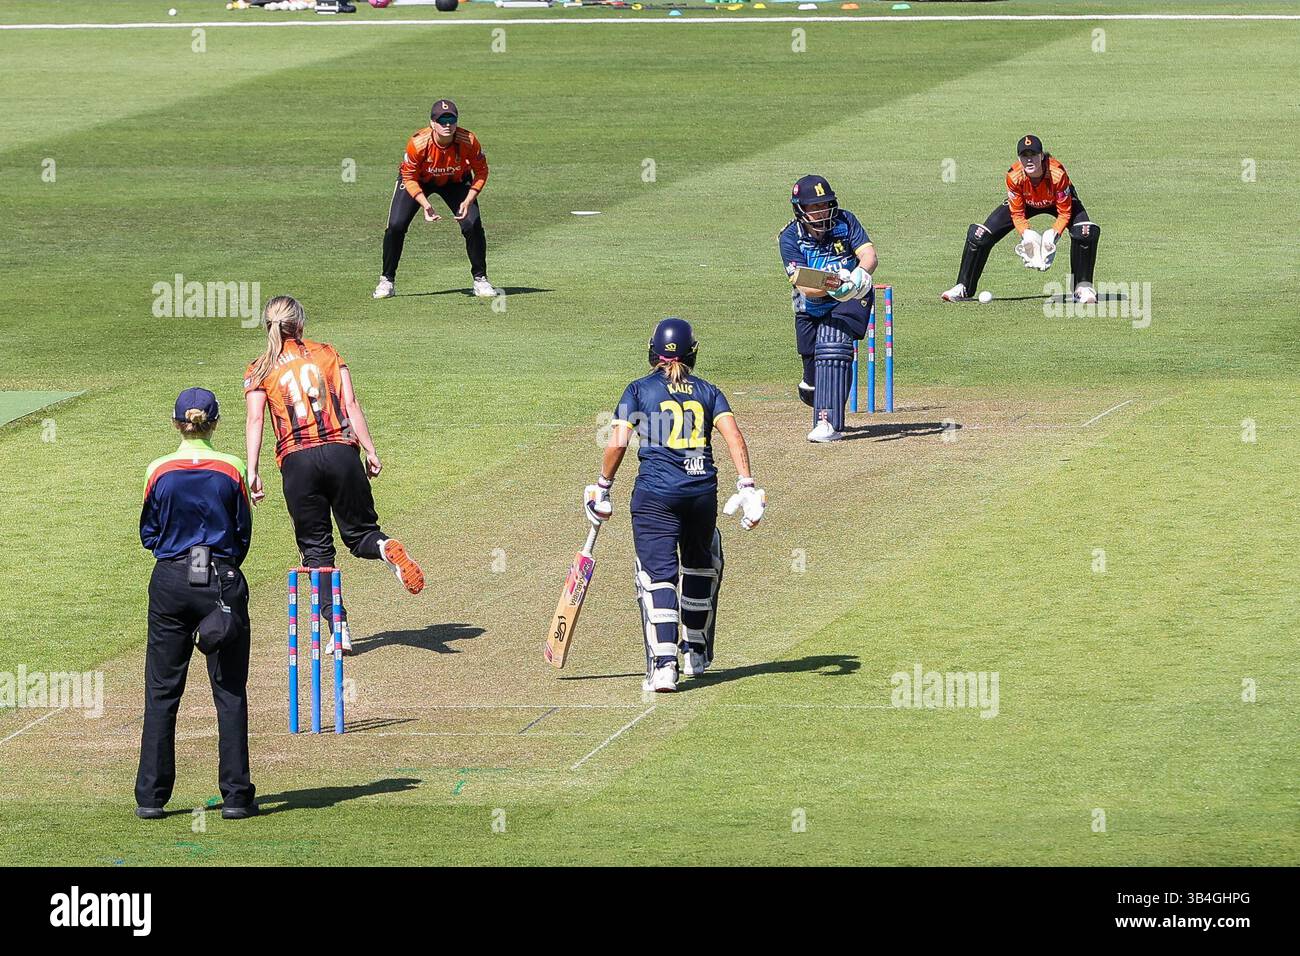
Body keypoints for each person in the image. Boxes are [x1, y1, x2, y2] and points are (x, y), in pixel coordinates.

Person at [585, 318, 766, 693]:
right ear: (693, 353)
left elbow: (619, 443)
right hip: (701, 493)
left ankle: (665, 665)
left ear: (653, 352)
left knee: (657, 576)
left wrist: (602, 487)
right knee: (700, 565)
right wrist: (747, 484)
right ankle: (695, 653)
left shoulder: (638, 390)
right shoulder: (709, 391)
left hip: (655, 497)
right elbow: (733, 435)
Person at [244, 296, 425, 655]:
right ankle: (385, 548)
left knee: (316, 553)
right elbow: (350, 404)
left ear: (268, 326)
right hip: (342, 452)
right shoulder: (326, 353)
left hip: (298, 461)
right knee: (360, 535)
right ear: (301, 324)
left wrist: (252, 470)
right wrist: (370, 450)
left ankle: (337, 628)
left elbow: (255, 420)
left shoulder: (259, 368)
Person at [136, 388, 255, 819]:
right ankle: (237, 798)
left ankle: (151, 798)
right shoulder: (232, 467)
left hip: (169, 580)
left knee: (162, 692)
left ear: (176, 424)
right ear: (215, 422)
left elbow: (148, 533)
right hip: (220, 581)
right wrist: (217, 563)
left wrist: (179, 555)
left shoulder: (158, 469)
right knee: (229, 690)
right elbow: (242, 532)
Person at [942, 134, 1101, 304]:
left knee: (1086, 231)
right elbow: (1017, 213)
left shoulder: (1057, 174)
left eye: (1033, 155)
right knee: (979, 235)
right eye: (1024, 156)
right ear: (1019, 158)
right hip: (1027, 202)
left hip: (1056, 201)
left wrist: (1054, 234)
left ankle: (1082, 288)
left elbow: (1064, 212)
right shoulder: (1014, 176)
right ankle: (962, 287)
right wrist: (1026, 234)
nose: (1029, 160)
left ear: (1042, 156)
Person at [778, 174, 879, 443]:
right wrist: (836, 282)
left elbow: (869, 255)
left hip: (852, 298)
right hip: (810, 305)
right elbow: (805, 285)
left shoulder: (845, 221)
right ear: (800, 209)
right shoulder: (790, 237)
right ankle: (815, 391)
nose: (823, 211)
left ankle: (828, 423)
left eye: (826, 204)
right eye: (815, 207)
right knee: (812, 383)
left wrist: (858, 276)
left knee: (834, 347)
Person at [373, 98, 501, 300]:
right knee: (396, 225)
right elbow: (409, 176)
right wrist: (425, 204)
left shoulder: (468, 140)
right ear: (432, 123)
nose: (447, 124)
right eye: (442, 120)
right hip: (419, 180)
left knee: (472, 224)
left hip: (455, 180)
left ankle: (481, 279)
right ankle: (387, 280)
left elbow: (482, 172)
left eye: (451, 119)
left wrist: (468, 199)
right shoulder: (418, 143)